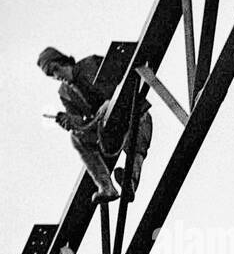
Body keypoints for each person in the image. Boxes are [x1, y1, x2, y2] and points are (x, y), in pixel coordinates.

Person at [37, 45, 153, 203]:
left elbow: (127, 77)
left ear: (64, 62)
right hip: (109, 130)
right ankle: (106, 187)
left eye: (56, 69)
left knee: (137, 146)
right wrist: (70, 121)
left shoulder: (91, 64)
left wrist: (110, 101)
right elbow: (81, 122)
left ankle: (130, 182)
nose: (57, 76)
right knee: (76, 137)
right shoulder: (65, 93)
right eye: (52, 75)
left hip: (133, 113)